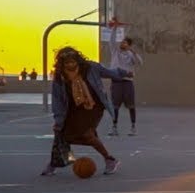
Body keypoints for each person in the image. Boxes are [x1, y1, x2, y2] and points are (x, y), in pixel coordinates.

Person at [41, 46, 130, 176]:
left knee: (87, 134)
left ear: (78, 60)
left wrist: (123, 73)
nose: (71, 64)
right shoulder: (60, 77)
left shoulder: (90, 68)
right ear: (61, 63)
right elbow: (57, 99)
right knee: (62, 133)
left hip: (93, 106)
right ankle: (56, 162)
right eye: (67, 63)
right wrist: (58, 119)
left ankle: (110, 159)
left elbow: (108, 72)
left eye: (73, 61)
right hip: (73, 109)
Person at [107, 36, 144, 136]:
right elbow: (112, 40)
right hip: (116, 82)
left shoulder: (131, 55)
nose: (122, 44)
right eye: (121, 42)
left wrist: (134, 52)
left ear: (128, 45)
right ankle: (114, 128)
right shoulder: (115, 51)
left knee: (131, 106)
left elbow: (140, 62)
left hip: (127, 82)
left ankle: (133, 127)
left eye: (124, 43)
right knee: (115, 106)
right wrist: (115, 26)